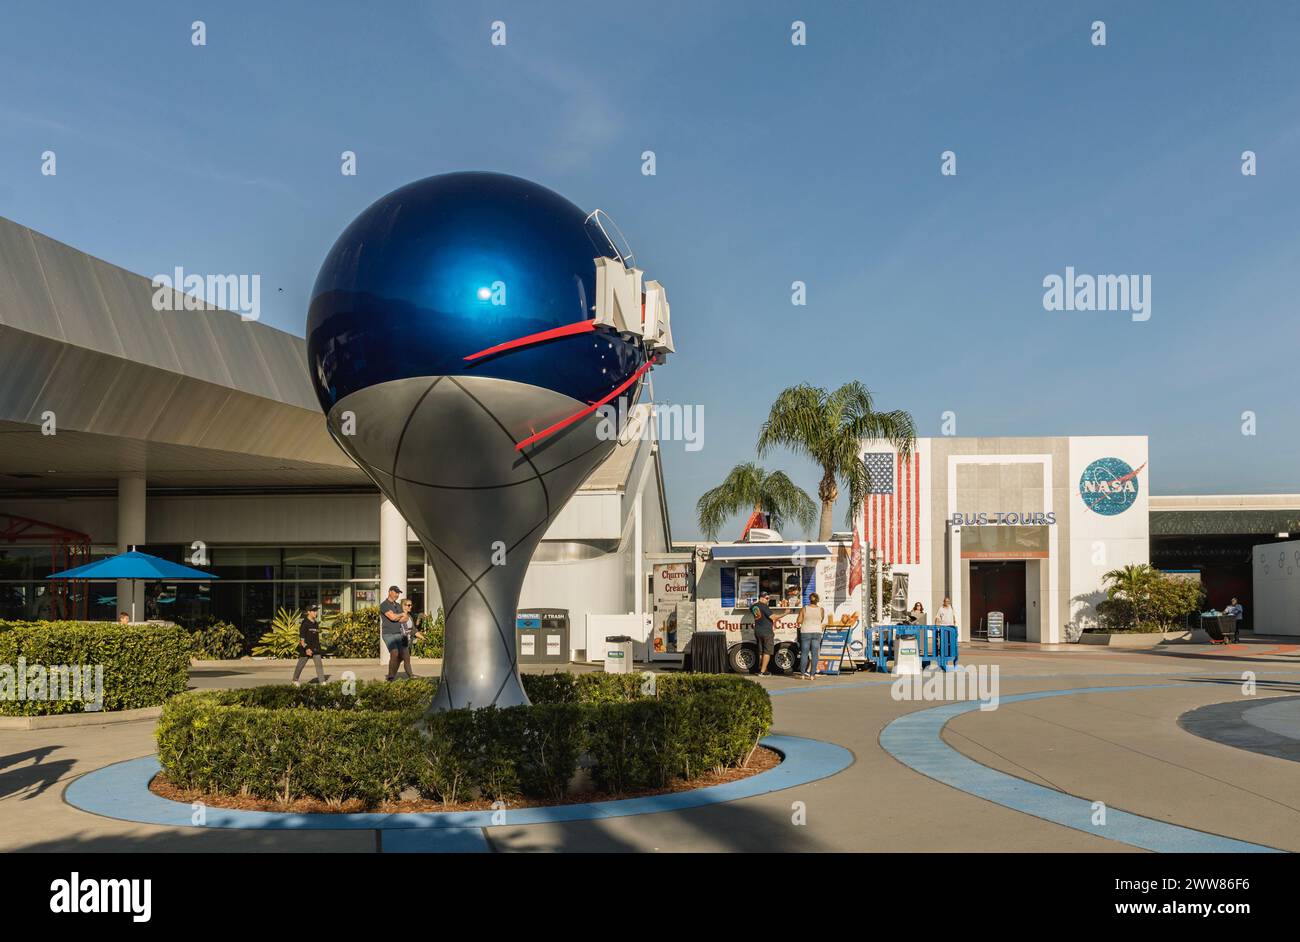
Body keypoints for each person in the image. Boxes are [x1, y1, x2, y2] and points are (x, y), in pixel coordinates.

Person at [293, 603, 326, 685]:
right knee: (300, 665)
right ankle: (294, 680)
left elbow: (316, 637)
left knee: (319, 665)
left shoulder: (316, 623)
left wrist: (318, 647)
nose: (316, 613)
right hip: (306, 649)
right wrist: (306, 648)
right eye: (314, 611)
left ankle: (322, 681)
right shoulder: (305, 623)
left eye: (316, 611)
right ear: (308, 612)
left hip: (315, 648)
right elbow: (302, 639)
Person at [380, 585, 409, 681]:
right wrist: (400, 615)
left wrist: (397, 617)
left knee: (403, 655)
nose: (397, 595)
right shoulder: (384, 605)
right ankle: (391, 676)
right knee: (394, 652)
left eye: (398, 593)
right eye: (395, 592)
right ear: (390, 592)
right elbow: (392, 617)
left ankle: (392, 674)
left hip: (398, 633)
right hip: (388, 633)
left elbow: (405, 619)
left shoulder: (397, 605)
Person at [797, 591, 826, 679]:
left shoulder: (804, 609)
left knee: (805, 654)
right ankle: (812, 675)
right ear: (817, 600)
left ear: (809, 600)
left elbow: (799, 621)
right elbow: (821, 620)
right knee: (815, 654)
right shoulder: (821, 609)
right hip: (817, 632)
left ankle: (802, 674)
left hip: (806, 631)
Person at [395, 597, 424, 679]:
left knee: (399, 659)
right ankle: (411, 675)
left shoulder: (409, 617)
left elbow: (414, 630)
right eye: (408, 605)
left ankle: (391, 675)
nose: (410, 607)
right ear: (403, 606)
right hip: (401, 641)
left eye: (411, 605)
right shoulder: (398, 616)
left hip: (408, 641)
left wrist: (422, 637)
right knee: (407, 658)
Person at [750, 595, 777, 676]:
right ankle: (762, 672)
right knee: (767, 652)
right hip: (766, 632)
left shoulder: (754, 606)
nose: (768, 600)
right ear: (761, 598)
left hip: (758, 631)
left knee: (761, 652)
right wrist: (785, 613)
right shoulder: (764, 607)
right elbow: (774, 617)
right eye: (767, 598)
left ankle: (763, 670)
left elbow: (751, 607)